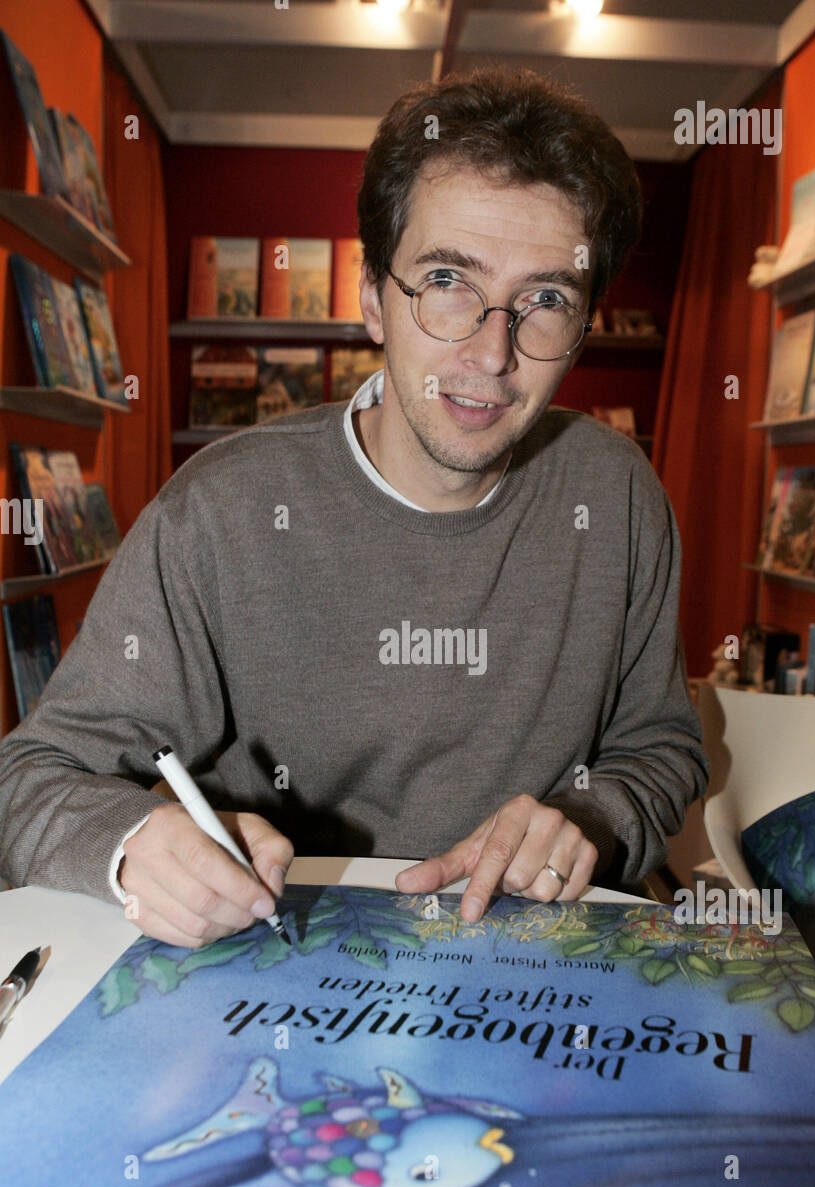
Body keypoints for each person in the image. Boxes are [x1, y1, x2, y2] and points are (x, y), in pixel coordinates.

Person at [0, 67, 708, 948]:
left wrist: (593, 819)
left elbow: (663, 748)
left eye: (546, 299)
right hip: (282, 963)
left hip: (539, 964)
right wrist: (136, 843)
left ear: (586, 321)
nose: (493, 353)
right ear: (374, 296)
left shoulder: (618, 492)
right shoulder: (219, 511)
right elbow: (30, 776)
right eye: (447, 280)